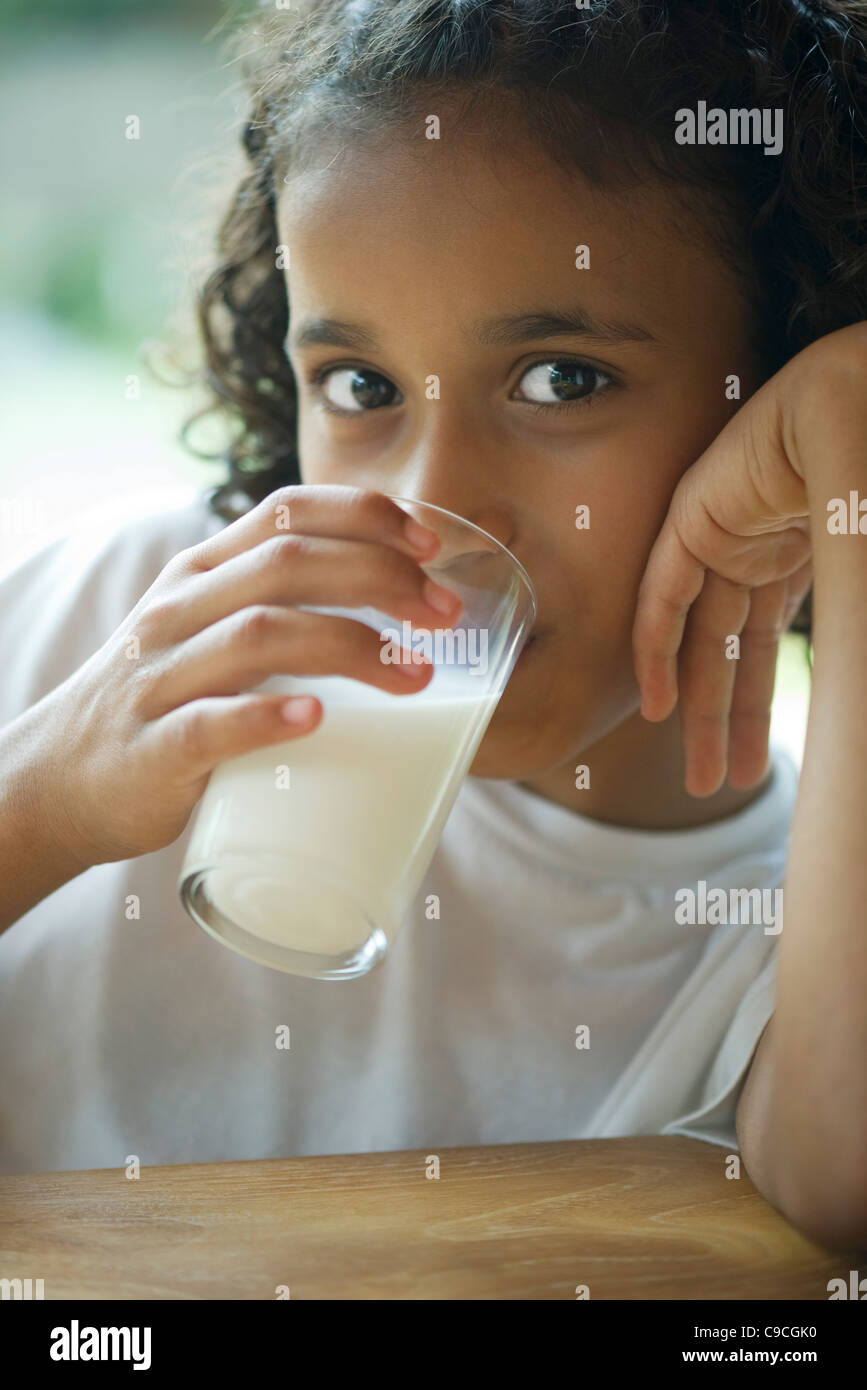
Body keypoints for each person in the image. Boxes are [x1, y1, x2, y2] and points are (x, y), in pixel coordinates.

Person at [1, 0, 865, 1251]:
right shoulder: (123, 623)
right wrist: (44, 800)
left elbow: (842, 1173)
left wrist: (853, 433)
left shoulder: (782, 934)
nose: (433, 504)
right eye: (360, 387)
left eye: (560, 379)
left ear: (765, 402)